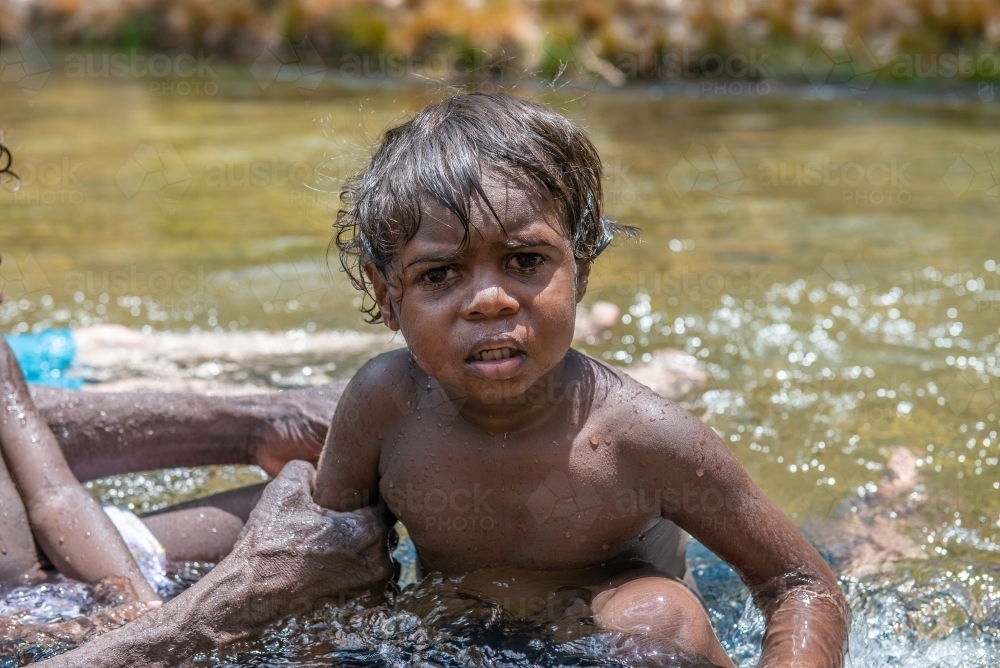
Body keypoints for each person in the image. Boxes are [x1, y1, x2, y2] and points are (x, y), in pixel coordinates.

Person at [306, 92, 849, 667]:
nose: (489, 301)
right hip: (461, 626)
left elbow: (801, 588)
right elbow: (330, 566)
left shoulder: (642, 436)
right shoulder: (384, 404)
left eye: (526, 262)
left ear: (581, 268)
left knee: (661, 620)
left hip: (619, 639)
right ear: (387, 294)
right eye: (439, 274)